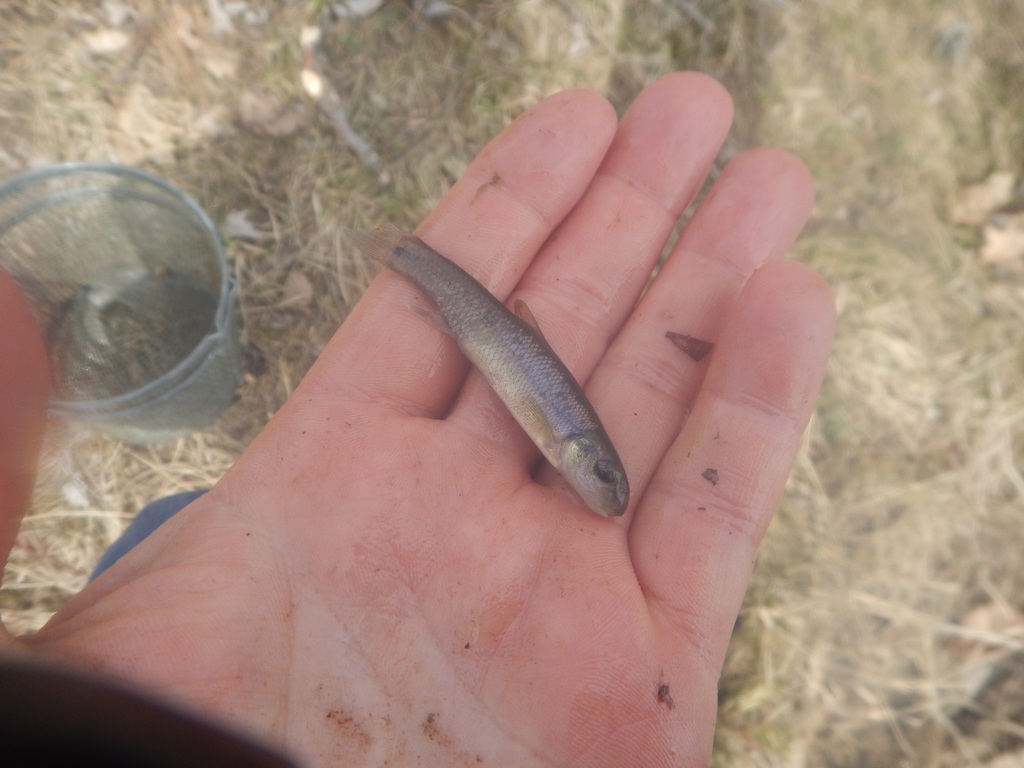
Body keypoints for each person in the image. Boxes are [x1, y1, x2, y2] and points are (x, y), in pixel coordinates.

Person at [0, 72, 834, 767]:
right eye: (602, 477)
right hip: (479, 325)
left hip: (485, 339)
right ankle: (405, 255)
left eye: (602, 477)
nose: (601, 487)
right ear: (585, 459)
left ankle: (405, 258)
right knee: (176, 519)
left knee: (174, 522)